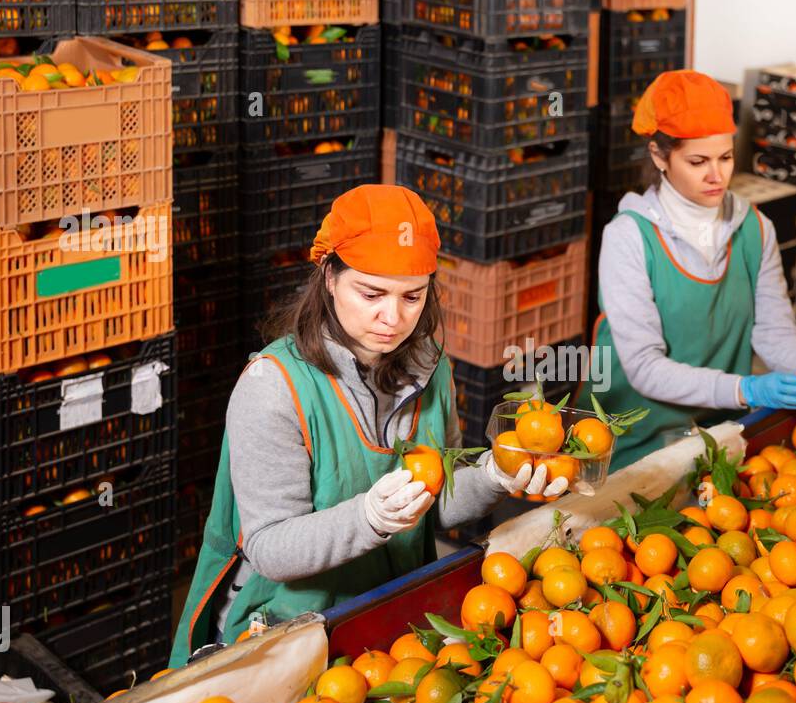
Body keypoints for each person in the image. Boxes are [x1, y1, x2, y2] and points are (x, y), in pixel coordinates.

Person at [170, 185, 567, 666]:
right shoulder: (274, 387)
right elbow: (269, 547)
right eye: (371, 293)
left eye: (412, 296)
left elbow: (435, 504)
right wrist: (370, 519)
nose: (392, 317)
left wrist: (492, 476)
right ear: (329, 276)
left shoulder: (430, 367)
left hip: (390, 610)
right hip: (287, 629)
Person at [592, 70, 796, 471]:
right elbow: (645, 369)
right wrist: (746, 388)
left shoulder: (754, 228)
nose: (716, 176)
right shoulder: (629, 238)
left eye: (725, 157)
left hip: (717, 426)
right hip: (630, 439)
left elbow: (774, 336)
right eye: (698, 161)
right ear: (659, 156)